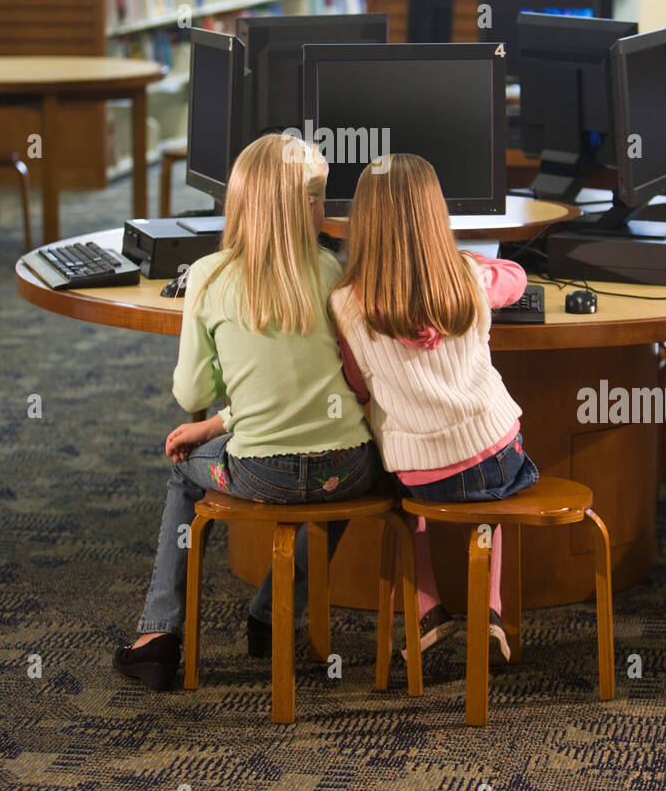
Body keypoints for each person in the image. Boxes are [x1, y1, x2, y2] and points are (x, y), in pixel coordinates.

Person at [114, 133, 378, 691]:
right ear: (305, 207)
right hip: (349, 469)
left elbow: (190, 394)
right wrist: (226, 419)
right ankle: (270, 615)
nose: (326, 212)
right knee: (336, 489)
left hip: (259, 469)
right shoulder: (332, 272)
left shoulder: (209, 275)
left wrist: (214, 417)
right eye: (321, 200)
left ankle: (159, 634)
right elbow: (318, 384)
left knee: (183, 473)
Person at [329, 152, 539, 662]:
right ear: (435, 215)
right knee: (493, 496)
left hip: (419, 470)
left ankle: (426, 612)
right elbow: (517, 275)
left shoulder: (345, 302)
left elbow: (357, 387)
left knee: (405, 501)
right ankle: (489, 613)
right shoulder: (468, 277)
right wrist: (466, 262)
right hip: (493, 452)